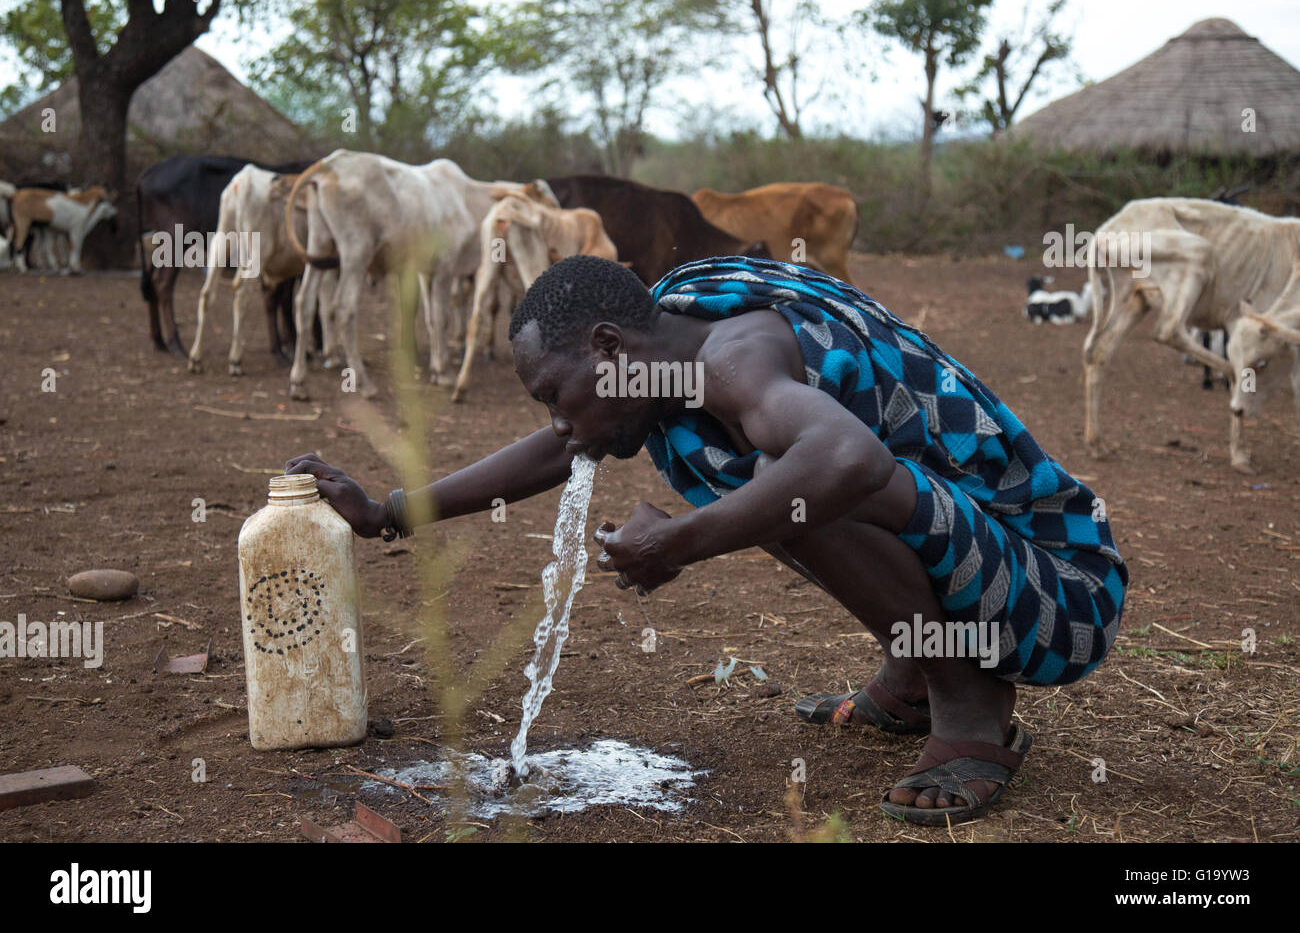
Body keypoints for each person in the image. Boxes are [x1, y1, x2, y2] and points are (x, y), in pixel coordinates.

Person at [286, 254, 1126, 825]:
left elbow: (849, 454)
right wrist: (390, 510)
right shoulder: (667, 340)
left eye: (556, 392)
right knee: (766, 486)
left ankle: (973, 709)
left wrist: (682, 542)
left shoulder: (731, 358)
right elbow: (561, 445)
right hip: (987, 561)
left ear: (609, 347)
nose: (557, 418)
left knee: (795, 478)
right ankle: (914, 667)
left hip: (1061, 593)